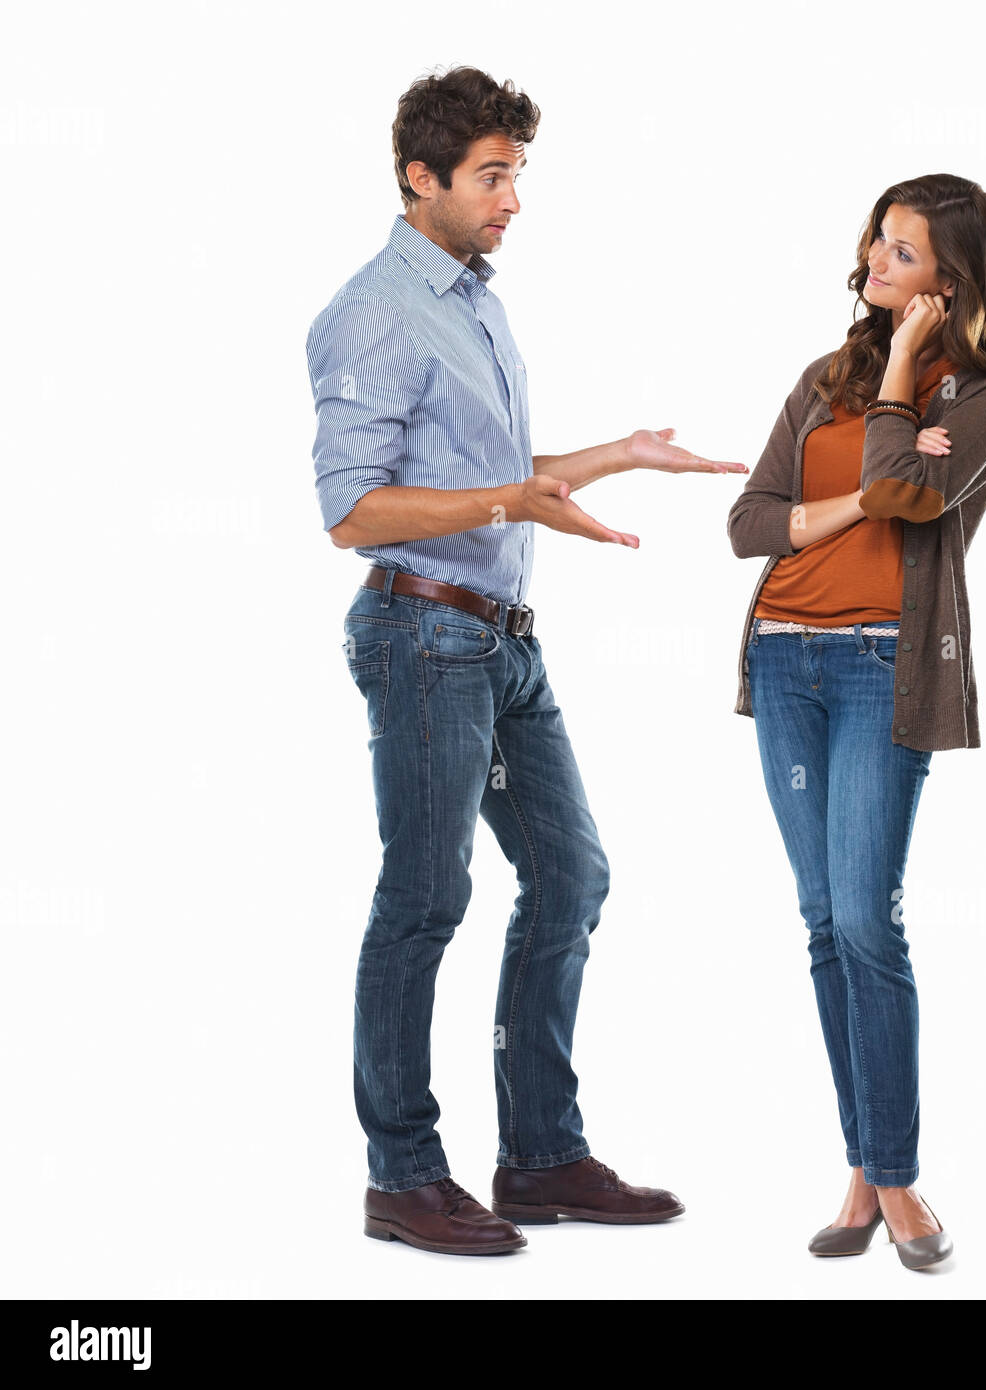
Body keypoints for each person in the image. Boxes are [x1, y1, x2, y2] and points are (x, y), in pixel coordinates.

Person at [307, 64, 743, 1257]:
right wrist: (516, 497)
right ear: (422, 177)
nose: (512, 198)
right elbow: (351, 510)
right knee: (426, 896)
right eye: (492, 176)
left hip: (498, 639)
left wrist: (614, 453)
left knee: (571, 875)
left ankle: (540, 1155)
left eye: (516, 174)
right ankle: (401, 1174)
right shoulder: (373, 311)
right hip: (421, 635)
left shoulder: (474, 299)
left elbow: (488, 474)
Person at [727, 173, 986, 1270]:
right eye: (874, 240)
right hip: (785, 659)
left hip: (877, 671)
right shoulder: (821, 379)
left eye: (900, 251)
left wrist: (904, 372)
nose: (872, 258)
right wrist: (858, 490)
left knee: (865, 918)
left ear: (946, 283)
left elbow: (912, 489)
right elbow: (748, 519)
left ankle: (891, 1176)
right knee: (821, 921)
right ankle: (866, 1163)